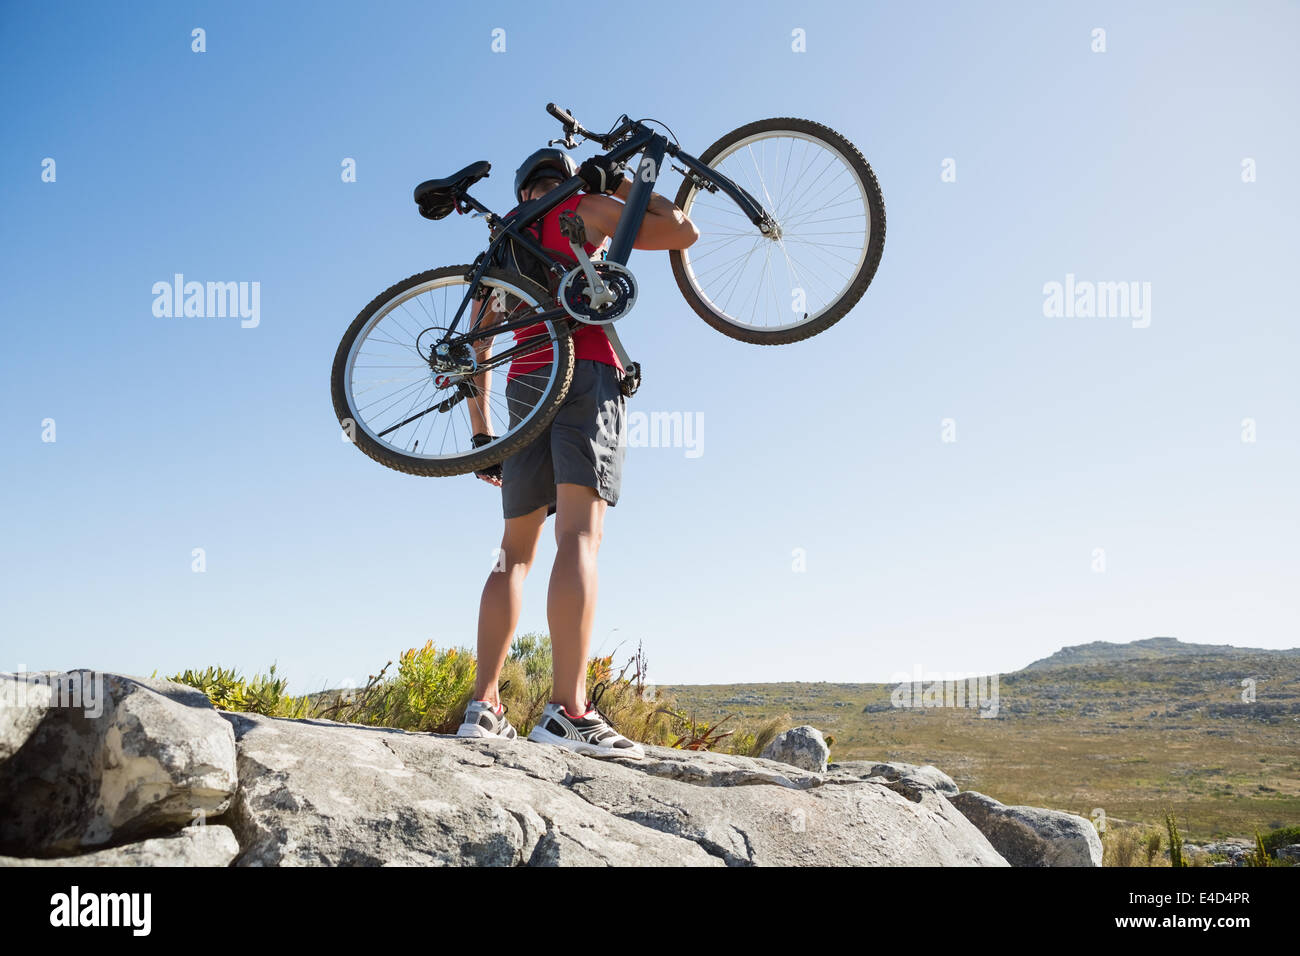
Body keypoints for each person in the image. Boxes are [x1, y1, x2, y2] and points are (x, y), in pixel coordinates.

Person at [456, 147, 698, 758]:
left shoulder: (504, 240)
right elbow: (680, 230)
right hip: (586, 369)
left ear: (520, 187)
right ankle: (568, 709)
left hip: (524, 387)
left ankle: (483, 706)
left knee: (512, 555)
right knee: (580, 540)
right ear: (562, 178)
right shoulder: (583, 207)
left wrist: (484, 434)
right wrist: (623, 182)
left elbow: (477, 349)